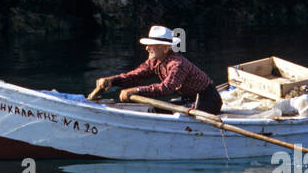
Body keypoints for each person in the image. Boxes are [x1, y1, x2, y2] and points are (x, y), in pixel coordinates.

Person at [93, 25, 222, 115]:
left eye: (151, 45)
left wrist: (136, 91)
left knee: (166, 111)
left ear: (165, 49)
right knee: (156, 109)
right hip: (189, 99)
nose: (147, 48)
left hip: (208, 102)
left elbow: (166, 88)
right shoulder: (154, 62)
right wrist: (112, 80)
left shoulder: (178, 64)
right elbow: (134, 76)